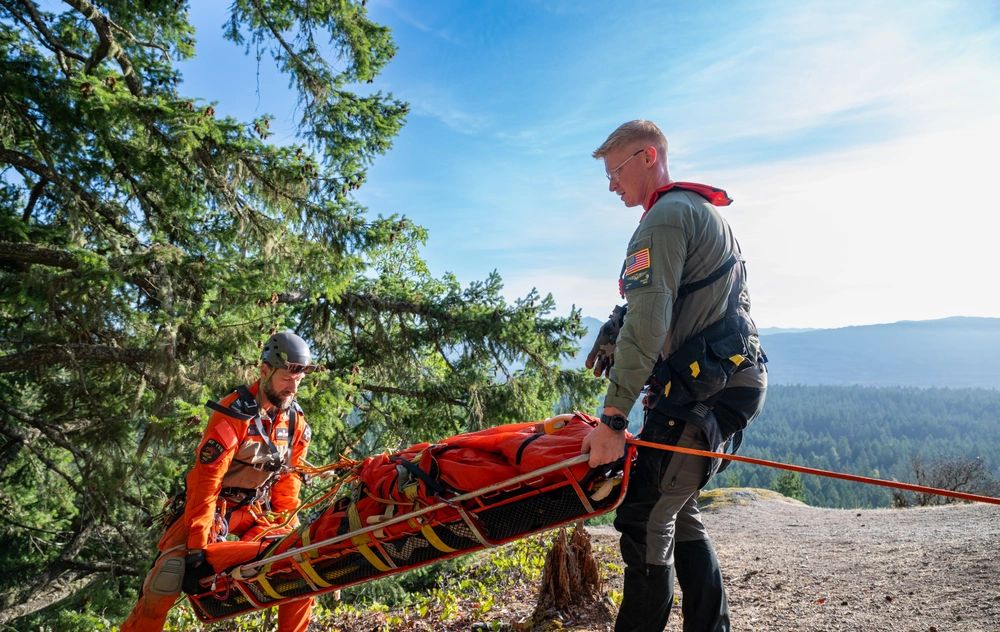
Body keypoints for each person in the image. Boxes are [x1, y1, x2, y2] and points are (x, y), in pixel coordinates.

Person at [581, 120, 768, 632]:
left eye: (615, 170)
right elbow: (682, 306)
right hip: (721, 382)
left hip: (705, 392)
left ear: (648, 157)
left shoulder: (663, 219)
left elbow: (651, 320)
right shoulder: (692, 211)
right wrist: (618, 324)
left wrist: (613, 418)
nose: (611, 184)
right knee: (677, 511)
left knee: (643, 517)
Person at [122, 331, 321, 632]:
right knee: (167, 575)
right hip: (215, 510)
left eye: (299, 379)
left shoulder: (295, 423)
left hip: (259, 511)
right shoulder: (233, 415)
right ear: (265, 371)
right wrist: (196, 550)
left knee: (297, 562)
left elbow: (287, 486)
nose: (293, 387)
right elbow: (207, 484)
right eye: (286, 378)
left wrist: (288, 529)